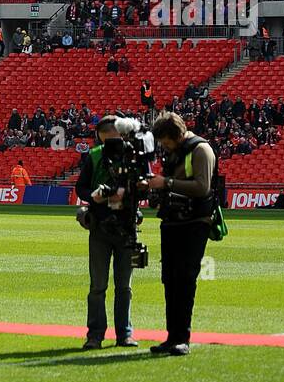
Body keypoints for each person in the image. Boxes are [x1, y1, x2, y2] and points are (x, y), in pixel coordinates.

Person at [146, 111, 217, 357]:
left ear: (176, 135)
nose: (164, 146)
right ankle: (171, 336)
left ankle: (182, 338)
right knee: (170, 279)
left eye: (166, 142)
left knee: (185, 280)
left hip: (194, 221)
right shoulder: (176, 150)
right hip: (172, 221)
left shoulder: (201, 150)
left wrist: (166, 183)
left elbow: (202, 187)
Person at [75, 116, 139, 351]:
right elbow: (80, 186)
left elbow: (145, 186)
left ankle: (125, 334)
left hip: (127, 227)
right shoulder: (94, 156)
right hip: (100, 227)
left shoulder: (134, 154)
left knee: (125, 286)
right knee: (98, 286)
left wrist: (125, 192)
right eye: (106, 140)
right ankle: (95, 335)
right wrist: (94, 195)